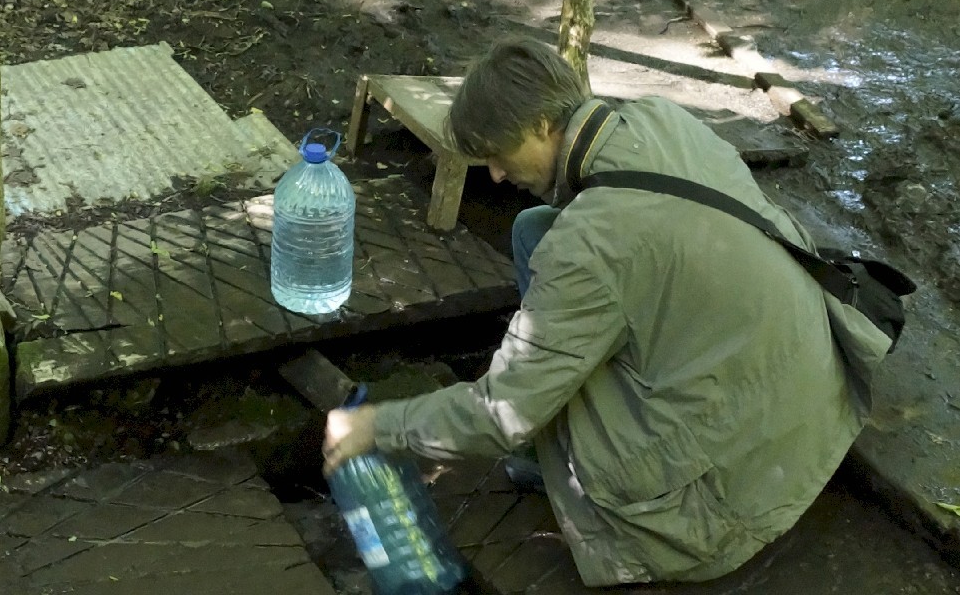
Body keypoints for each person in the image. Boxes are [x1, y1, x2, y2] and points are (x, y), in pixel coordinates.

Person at [321, 38, 891, 586]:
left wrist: (378, 426)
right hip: (809, 396)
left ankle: (581, 475)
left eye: (497, 153)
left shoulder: (590, 247)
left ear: (542, 125)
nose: (493, 173)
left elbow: (503, 413)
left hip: (728, 497)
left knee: (546, 377)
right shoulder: (660, 119)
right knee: (534, 229)